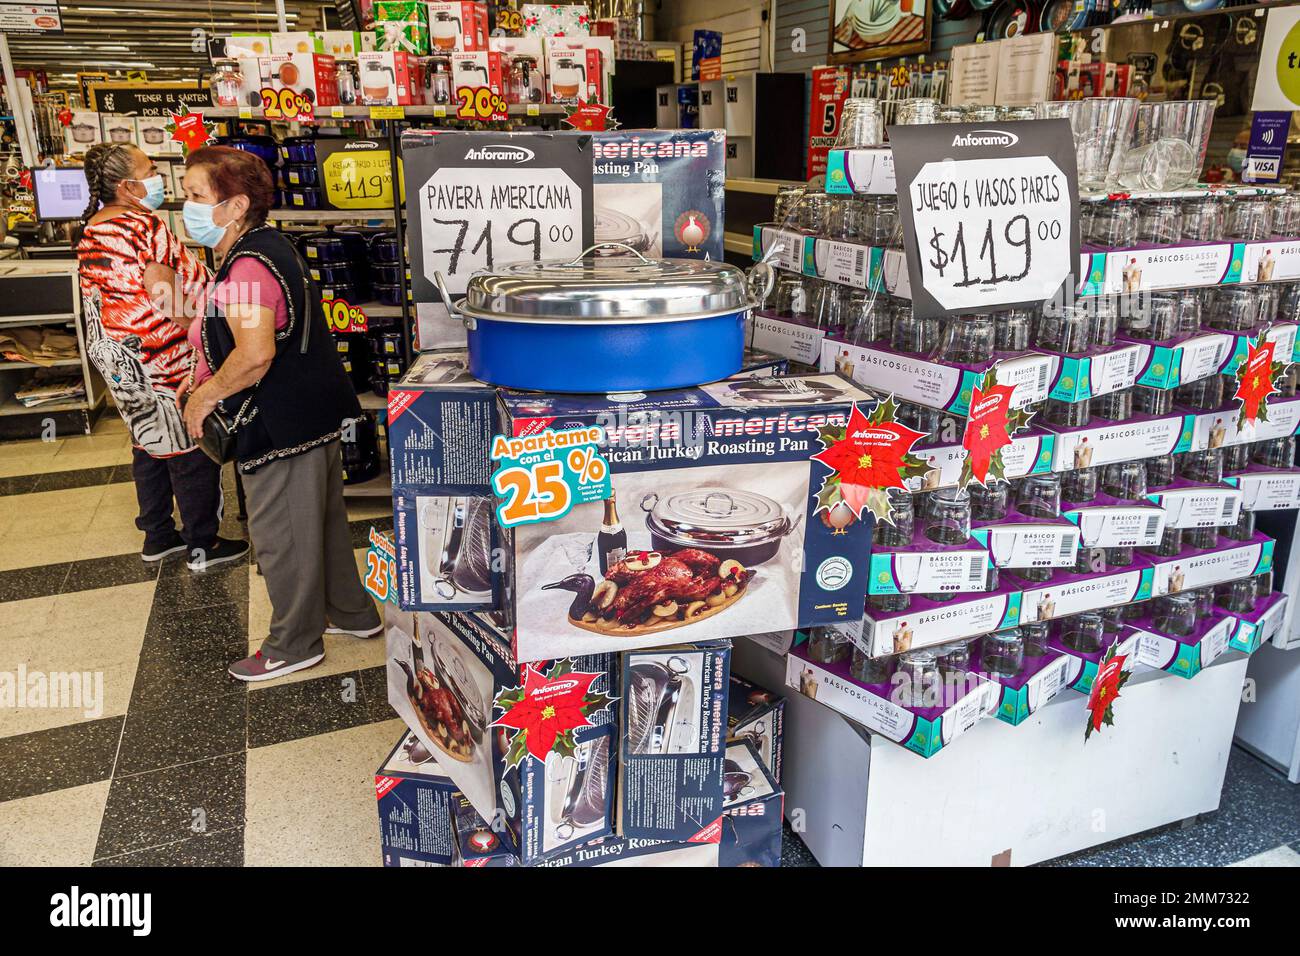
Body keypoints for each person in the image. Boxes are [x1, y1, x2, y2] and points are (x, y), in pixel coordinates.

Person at [178, 145, 381, 682]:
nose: (186, 206)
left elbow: (254, 354)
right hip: (313, 411)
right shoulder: (267, 246)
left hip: (279, 420)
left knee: (281, 534)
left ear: (235, 204)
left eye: (197, 196)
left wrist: (203, 397)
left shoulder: (247, 264)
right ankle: (353, 613)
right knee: (322, 522)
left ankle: (294, 643)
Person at [74, 143, 248, 570]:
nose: (157, 176)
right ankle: (202, 543)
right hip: (164, 351)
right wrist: (201, 331)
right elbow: (162, 291)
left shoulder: (93, 228)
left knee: (145, 441)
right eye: (149, 170)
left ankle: (157, 535)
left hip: (121, 357)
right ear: (127, 186)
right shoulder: (141, 226)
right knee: (191, 440)